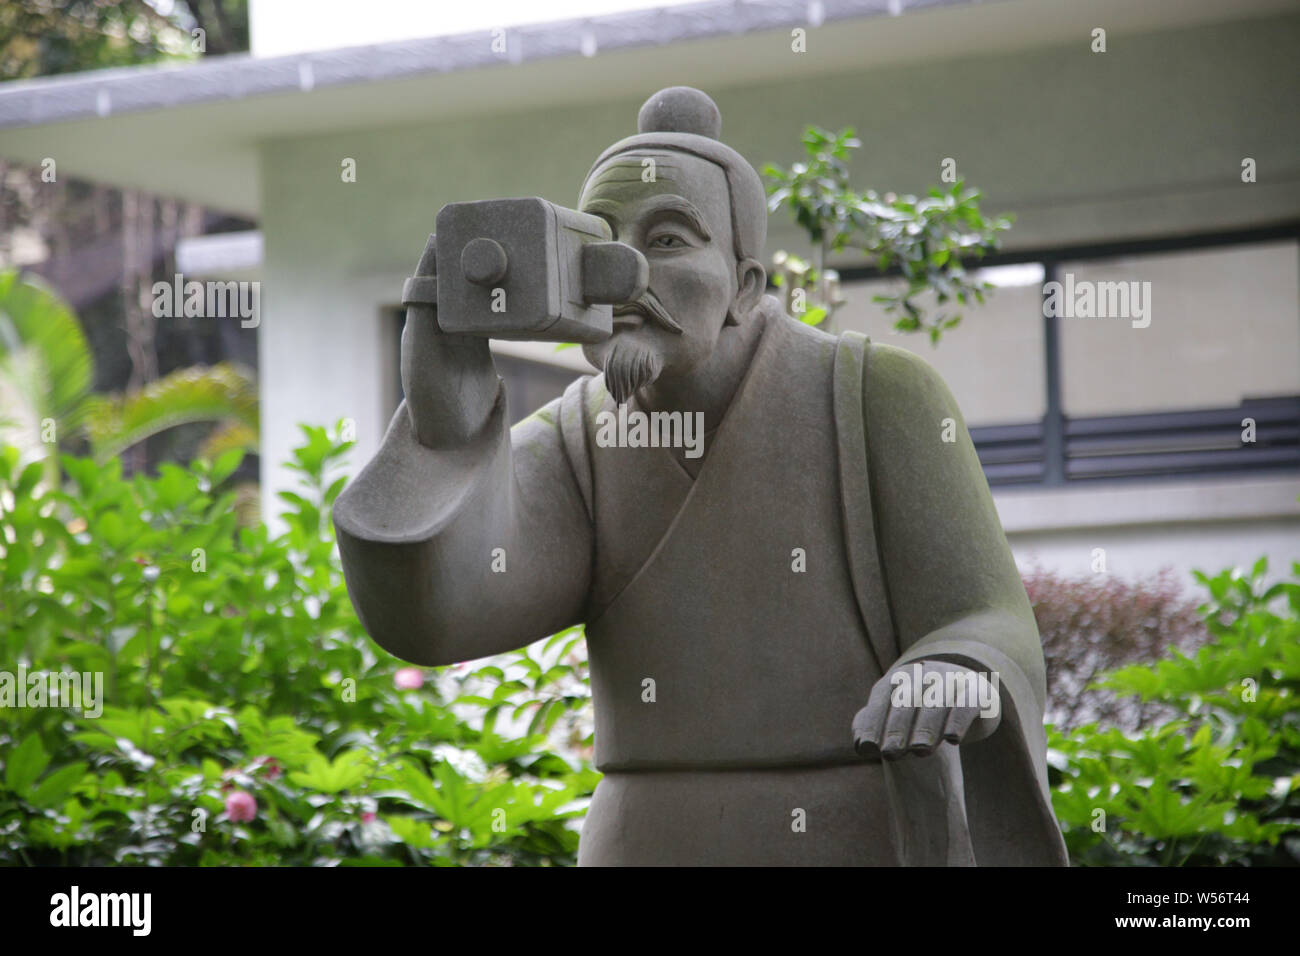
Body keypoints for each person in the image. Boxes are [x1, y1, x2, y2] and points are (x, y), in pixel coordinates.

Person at [334, 86, 1067, 866]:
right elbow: (444, 615)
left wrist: (947, 673)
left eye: (669, 239)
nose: (619, 273)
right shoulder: (581, 437)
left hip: (849, 831)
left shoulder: (872, 395)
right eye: (600, 241)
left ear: (745, 285)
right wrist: (447, 424)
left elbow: (988, 620)